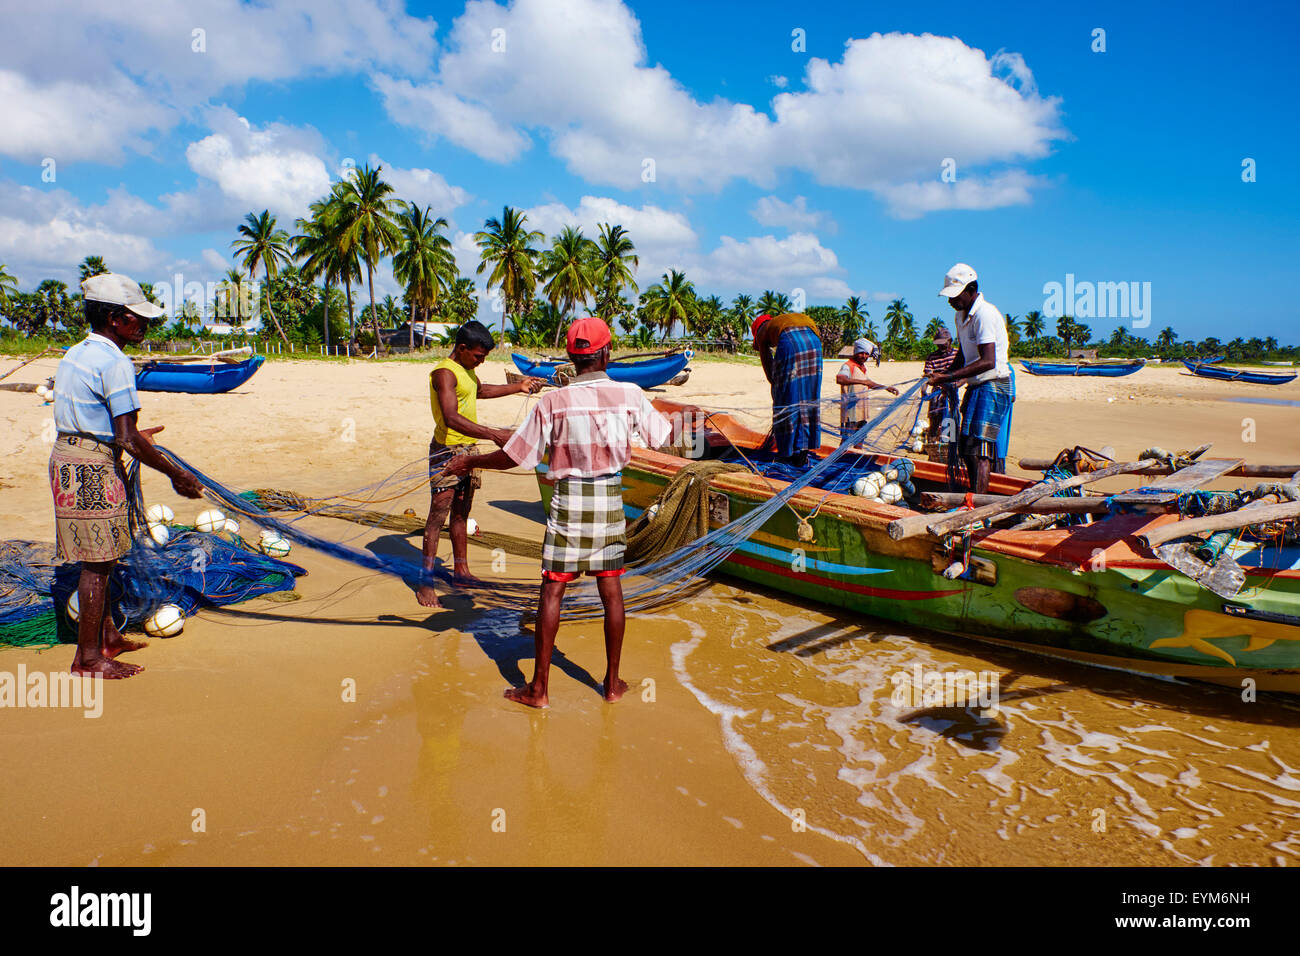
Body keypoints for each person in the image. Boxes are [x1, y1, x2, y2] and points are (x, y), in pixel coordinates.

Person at [444, 318, 673, 708]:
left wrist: (471, 462)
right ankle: (612, 684)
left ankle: (539, 689)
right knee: (611, 590)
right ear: (606, 353)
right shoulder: (631, 395)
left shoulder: (553, 401)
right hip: (609, 500)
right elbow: (664, 438)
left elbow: (515, 456)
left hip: (567, 502)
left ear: (571, 357)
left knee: (553, 589)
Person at [50, 273, 204, 679]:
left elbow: (103, 425)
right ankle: (87, 659)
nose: (145, 326)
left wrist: (135, 439)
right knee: (98, 564)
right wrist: (177, 475)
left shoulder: (75, 353)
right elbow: (126, 436)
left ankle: (108, 637)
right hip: (92, 467)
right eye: (139, 318)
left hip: (69, 457)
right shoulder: (116, 362)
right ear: (117, 318)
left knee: (102, 555)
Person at [419, 320, 543, 608]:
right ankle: (425, 583)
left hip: (469, 450)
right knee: (438, 517)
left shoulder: (466, 372)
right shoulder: (444, 373)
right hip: (446, 452)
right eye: (478, 356)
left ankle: (461, 571)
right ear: (462, 349)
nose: (481, 361)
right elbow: (450, 416)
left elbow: (480, 390)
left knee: (462, 513)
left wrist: (518, 386)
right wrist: (494, 434)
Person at [925, 263, 1012, 494]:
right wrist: (946, 377)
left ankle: (977, 506)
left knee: (978, 448)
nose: (951, 301)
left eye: (955, 296)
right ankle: (972, 497)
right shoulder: (960, 316)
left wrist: (949, 375)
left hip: (993, 384)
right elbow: (964, 354)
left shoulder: (984, 314)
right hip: (977, 385)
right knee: (966, 447)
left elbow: (988, 361)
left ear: (971, 289)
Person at [752, 312, 823, 467]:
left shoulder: (762, 331)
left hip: (791, 340)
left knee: (786, 399)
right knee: (809, 397)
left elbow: (769, 370)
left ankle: (785, 453)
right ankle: (803, 451)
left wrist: (778, 390)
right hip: (814, 342)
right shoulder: (781, 321)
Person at [834, 337, 898, 443]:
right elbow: (840, 378)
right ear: (856, 352)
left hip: (861, 412)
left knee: (860, 440)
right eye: (861, 353)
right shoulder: (848, 366)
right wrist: (863, 382)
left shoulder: (862, 367)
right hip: (851, 413)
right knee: (846, 441)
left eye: (866, 354)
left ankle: (856, 458)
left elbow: (870, 383)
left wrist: (886, 388)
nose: (864, 356)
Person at [922, 328, 960, 440]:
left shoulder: (957, 355)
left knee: (951, 421)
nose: (941, 347)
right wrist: (924, 391)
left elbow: (964, 375)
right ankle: (932, 442)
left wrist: (953, 386)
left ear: (950, 341)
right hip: (936, 395)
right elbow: (926, 377)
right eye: (938, 345)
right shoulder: (931, 357)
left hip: (952, 393)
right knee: (934, 420)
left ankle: (949, 445)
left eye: (943, 344)